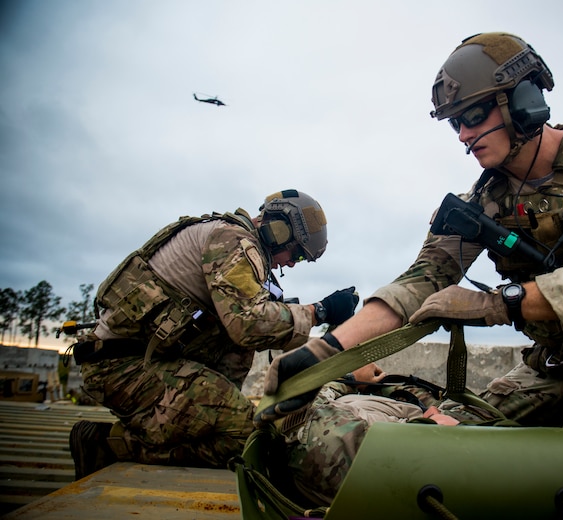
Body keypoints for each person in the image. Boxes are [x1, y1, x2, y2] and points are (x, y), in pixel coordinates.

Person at [260, 33, 563, 510]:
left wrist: (497, 303)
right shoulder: (484, 199)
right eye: (455, 124)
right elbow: (418, 284)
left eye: (473, 116)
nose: (463, 135)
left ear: (522, 101)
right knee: (423, 464)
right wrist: (323, 352)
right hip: (547, 367)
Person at [68, 189, 359, 480]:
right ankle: (106, 445)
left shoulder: (236, 244)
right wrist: (320, 311)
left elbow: (254, 325)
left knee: (238, 438)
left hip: (149, 363)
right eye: (296, 253)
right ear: (279, 230)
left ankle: (165, 430)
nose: (292, 263)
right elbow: (248, 324)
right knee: (251, 440)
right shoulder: (232, 241)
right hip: (122, 368)